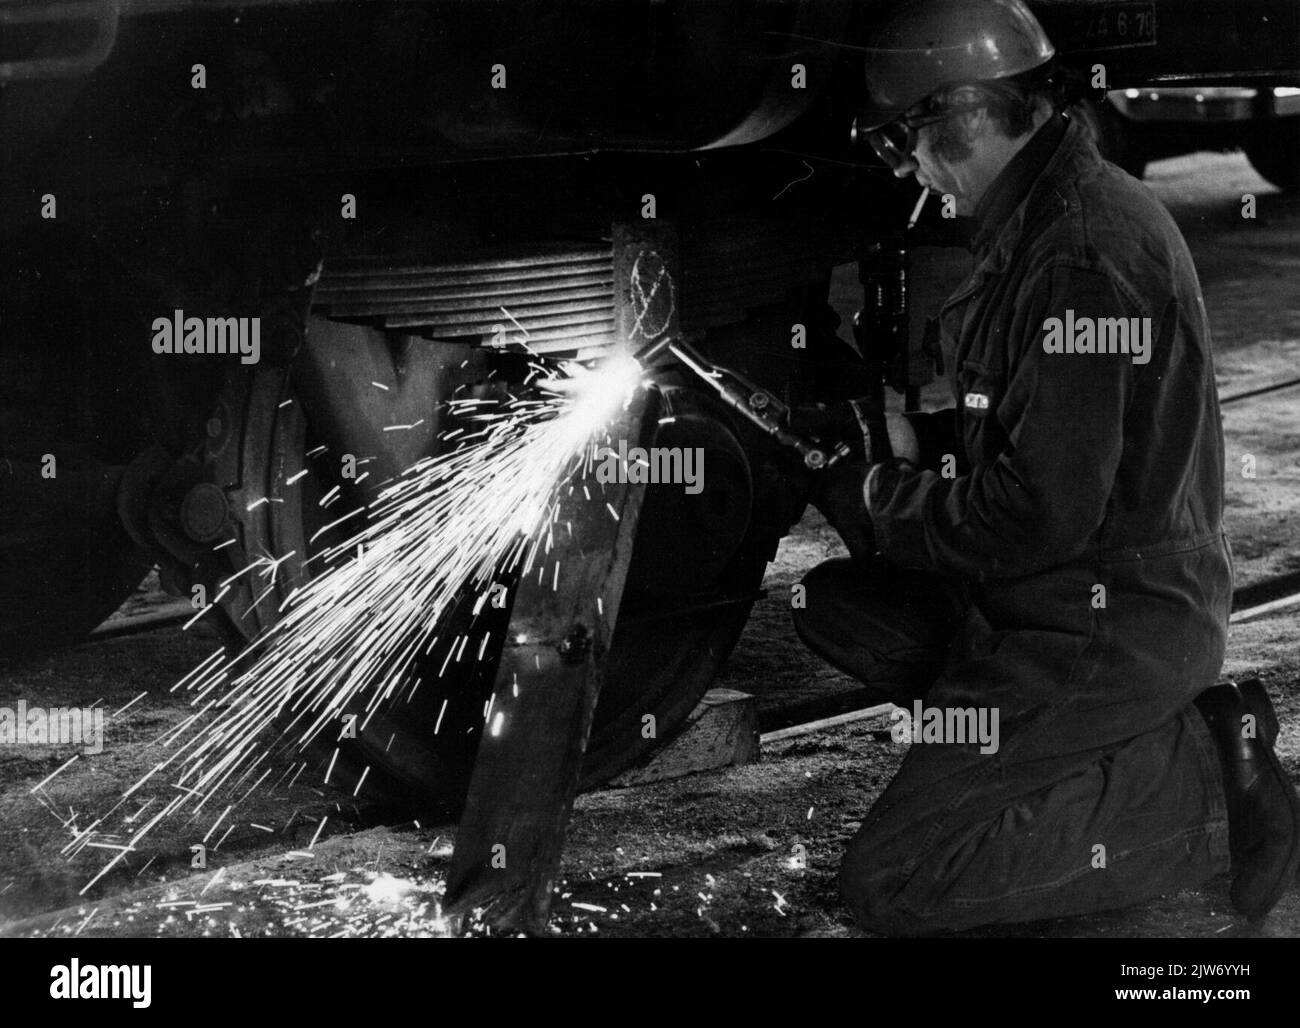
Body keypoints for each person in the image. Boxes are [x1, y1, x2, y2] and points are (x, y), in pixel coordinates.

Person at [793, 0, 1300, 934]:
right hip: (1068, 586)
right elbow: (1036, 443)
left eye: (905, 139)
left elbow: (1037, 516)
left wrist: (874, 500)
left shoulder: (1075, 254)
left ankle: (1202, 781)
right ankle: (1066, 747)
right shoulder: (1041, 217)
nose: (904, 166)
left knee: (896, 881)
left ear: (968, 110)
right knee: (841, 608)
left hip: (1103, 618)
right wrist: (908, 455)